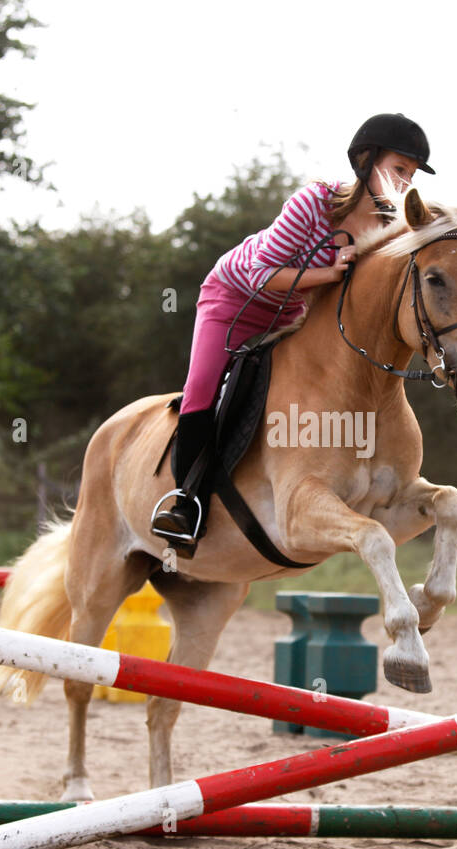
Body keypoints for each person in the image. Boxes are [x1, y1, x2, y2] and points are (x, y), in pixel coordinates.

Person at [151, 113, 436, 547]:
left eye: (411, 176)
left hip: (291, 313)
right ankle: (185, 504)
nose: (404, 184)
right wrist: (328, 275)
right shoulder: (313, 202)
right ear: (365, 160)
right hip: (235, 299)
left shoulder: (385, 228)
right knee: (203, 389)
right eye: (398, 170)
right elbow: (261, 274)